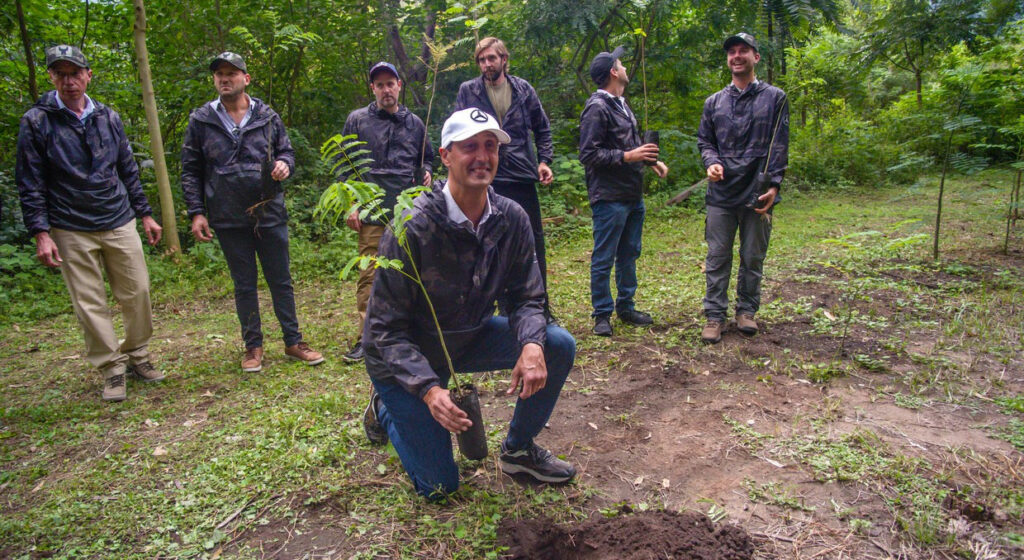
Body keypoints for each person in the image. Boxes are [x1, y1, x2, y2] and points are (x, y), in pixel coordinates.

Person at [360, 108, 577, 501]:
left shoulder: (511, 218)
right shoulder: (412, 225)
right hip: (405, 358)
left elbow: (527, 296)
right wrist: (427, 389)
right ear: (444, 156)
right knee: (440, 487)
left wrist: (530, 344)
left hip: (468, 335)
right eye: (470, 147)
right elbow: (384, 329)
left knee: (556, 344)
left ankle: (519, 450)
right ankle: (385, 407)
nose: (483, 156)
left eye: (490, 146)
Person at [16, 45, 164, 402]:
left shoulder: (108, 117)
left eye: (75, 73)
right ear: (52, 77)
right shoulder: (37, 121)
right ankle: (112, 369)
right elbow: (30, 180)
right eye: (61, 74)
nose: (69, 81)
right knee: (89, 300)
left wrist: (144, 213)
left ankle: (137, 356)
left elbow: (127, 167)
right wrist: (41, 232)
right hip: (69, 224)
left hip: (117, 215)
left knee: (138, 290)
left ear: (88, 75)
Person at [181, 52, 324, 371]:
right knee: (243, 283)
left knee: (281, 280)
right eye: (219, 73)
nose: (224, 78)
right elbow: (191, 169)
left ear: (246, 78)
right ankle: (253, 348)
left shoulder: (268, 116)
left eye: (231, 73)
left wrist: (285, 165)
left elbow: (287, 151)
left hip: (268, 209)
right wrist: (196, 212)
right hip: (227, 213)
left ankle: (293, 340)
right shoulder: (202, 120)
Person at [454, 37, 557, 321]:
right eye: (482, 59)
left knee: (532, 244)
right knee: (491, 244)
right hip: (487, 179)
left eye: (491, 58)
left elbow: (542, 129)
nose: (486, 64)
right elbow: (458, 133)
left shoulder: (523, 90)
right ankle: (503, 309)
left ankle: (541, 308)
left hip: (522, 176)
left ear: (504, 60)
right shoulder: (469, 91)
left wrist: (544, 161)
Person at [696, 33, 788, 344]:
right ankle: (714, 315)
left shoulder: (775, 98)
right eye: (732, 52)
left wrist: (774, 185)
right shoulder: (714, 102)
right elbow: (705, 142)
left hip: (758, 191)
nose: (737, 56)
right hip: (721, 193)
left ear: (756, 57)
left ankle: (746, 311)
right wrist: (711, 161)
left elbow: (780, 145)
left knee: (753, 256)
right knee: (717, 256)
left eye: (743, 51)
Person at [340, 62, 433, 363]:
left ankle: (411, 331)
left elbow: (427, 158)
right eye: (379, 85)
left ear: (399, 86)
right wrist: (352, 203)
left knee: (412, 270)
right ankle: (367, 339)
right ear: (373, 89)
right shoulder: (357, 121)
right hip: (371, 210)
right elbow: (346, 166)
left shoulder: (415, 123)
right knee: (370, 273)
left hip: (408, 211)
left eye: (390, 83)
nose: (386, 90)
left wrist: (428, 172)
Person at [578, 47, 668, 337]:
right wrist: (629, 156)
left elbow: (630, 144)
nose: (625, 66)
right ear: (613, 72)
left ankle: (626, 307)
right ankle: (601, 314)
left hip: (632, 194)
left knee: (630, 253)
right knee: (604, 256)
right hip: (608, 197)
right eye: (620, 63)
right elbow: (588, 154)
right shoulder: (597, 107)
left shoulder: (621, 104)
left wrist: (650, 160)